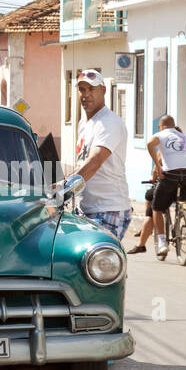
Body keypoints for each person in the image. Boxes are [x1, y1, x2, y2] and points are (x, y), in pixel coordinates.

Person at [71, 69, 131, 241]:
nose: (86, 94)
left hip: (108, 208)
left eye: (91, 89)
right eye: (82, 89)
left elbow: (95, 161)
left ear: (103, 90)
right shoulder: (84, 123)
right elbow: (82, 162)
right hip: (87, 208)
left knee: (101, 261)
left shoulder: (109, 122)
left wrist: (66, 186)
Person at [147, 115, 186, 259]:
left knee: (156, 208)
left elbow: (149, 144)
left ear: (161, 126)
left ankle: (162, 242)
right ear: (173, 126)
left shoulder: (160, 135)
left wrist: (157, 165)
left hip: (170, 176)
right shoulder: (184, 137)